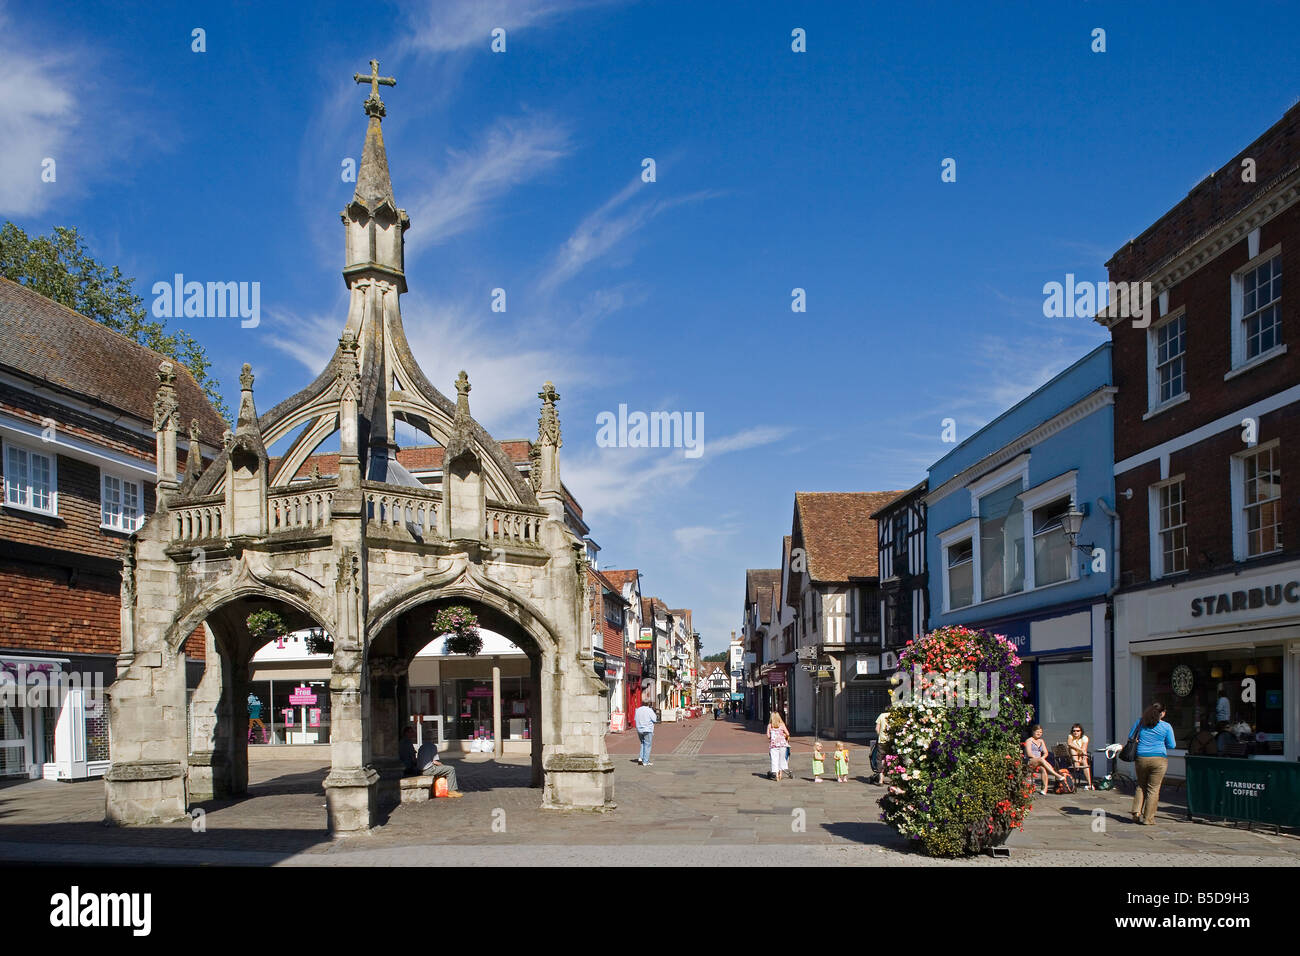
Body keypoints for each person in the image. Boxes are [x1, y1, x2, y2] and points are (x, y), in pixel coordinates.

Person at [1128, 701, 1176, 825]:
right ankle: (1148, 818)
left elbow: (1130, 737)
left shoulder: (1140, 722)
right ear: (1163, 713)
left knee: (1141, 785)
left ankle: (1136, 812)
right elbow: (1172, 745)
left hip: (1141, 757)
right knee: (1153, 789)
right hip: (1159, 759)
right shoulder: (1166, 726)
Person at [1023, 725, 1066, 795]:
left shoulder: (1041, 741)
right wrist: (1040, 759)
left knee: (1043, 769)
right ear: (1033, 732)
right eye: (1037, 732)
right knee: (1042, 761)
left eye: (1040, 732)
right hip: (1030, 761)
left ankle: (1044, 789)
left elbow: (1046, 752)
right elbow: (1029, 754)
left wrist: (1042, 758)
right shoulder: (1029, 740)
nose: (1039, 734)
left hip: (1039, 762)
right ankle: (1057, 775)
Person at [1066, 723, 1093, 790]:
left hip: (1080, 755)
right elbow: (1070, 743)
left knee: (1085, 763)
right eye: (1074, 731)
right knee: (1072, 748)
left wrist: (1082, 757)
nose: (1075, 732)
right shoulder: (1070, 736)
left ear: (1081, 732)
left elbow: (1084, 749)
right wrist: (1079, 749)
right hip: (1071, 756)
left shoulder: (1084, 738)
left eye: (1078, 731)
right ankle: (1076, 762)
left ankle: (1090, 784)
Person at [634, 699, 658, 765]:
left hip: (639, 729)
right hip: (647, 729)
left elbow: (635, 719)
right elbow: (655, 719)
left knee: (642, 743)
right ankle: (645, 761)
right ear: (649, 704)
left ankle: (641, 757)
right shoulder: (649, 710)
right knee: (647, 745)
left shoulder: (638, 710)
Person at [767, 712, 789, 782]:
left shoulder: (770, 725)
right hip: (782, 745)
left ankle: (776, 776)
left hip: (773, 745)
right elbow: (788, 733)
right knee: (781, 759)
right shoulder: (782, 725)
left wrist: (772, 736)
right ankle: (780, 775)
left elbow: (768, 736)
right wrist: (783, 735)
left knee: (774, 760)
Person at [874, 711, 891, 785]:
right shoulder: (895, 715)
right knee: (891, 759)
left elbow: (877, 729)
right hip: (891, 741)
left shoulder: (882, 715)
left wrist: (880, 735)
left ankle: (881, 780)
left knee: (880, 759)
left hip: (882, 741)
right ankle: (894, 779)